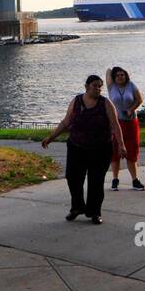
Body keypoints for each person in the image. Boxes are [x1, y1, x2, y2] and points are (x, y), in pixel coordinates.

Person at [42, 74, 128, 224]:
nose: (98, 88)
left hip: (100, 148)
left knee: (96, 181)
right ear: (87, 87)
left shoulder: (106, 103)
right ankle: (77, 207)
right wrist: (51, 137)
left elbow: (115, 125)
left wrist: (121, 145)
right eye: (95, 85)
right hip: (77, 147)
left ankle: (95, 212)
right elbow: (66, 121)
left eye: (100, 86)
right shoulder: (76, 101)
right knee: (73, 177)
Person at [107, 66, 144, 191]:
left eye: (122, 74)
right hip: (116, 123)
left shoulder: (131, 85)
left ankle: (135, 180)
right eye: (117, 75)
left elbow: (139, 100)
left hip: (131, 122)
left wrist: (131, 109)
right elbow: (107, 71)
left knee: (132, 150)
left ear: (126, 75)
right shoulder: (111, 87)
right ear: (114, 78)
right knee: (115, 150)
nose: (120, 77)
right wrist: (112, 70)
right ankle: (115, 179)